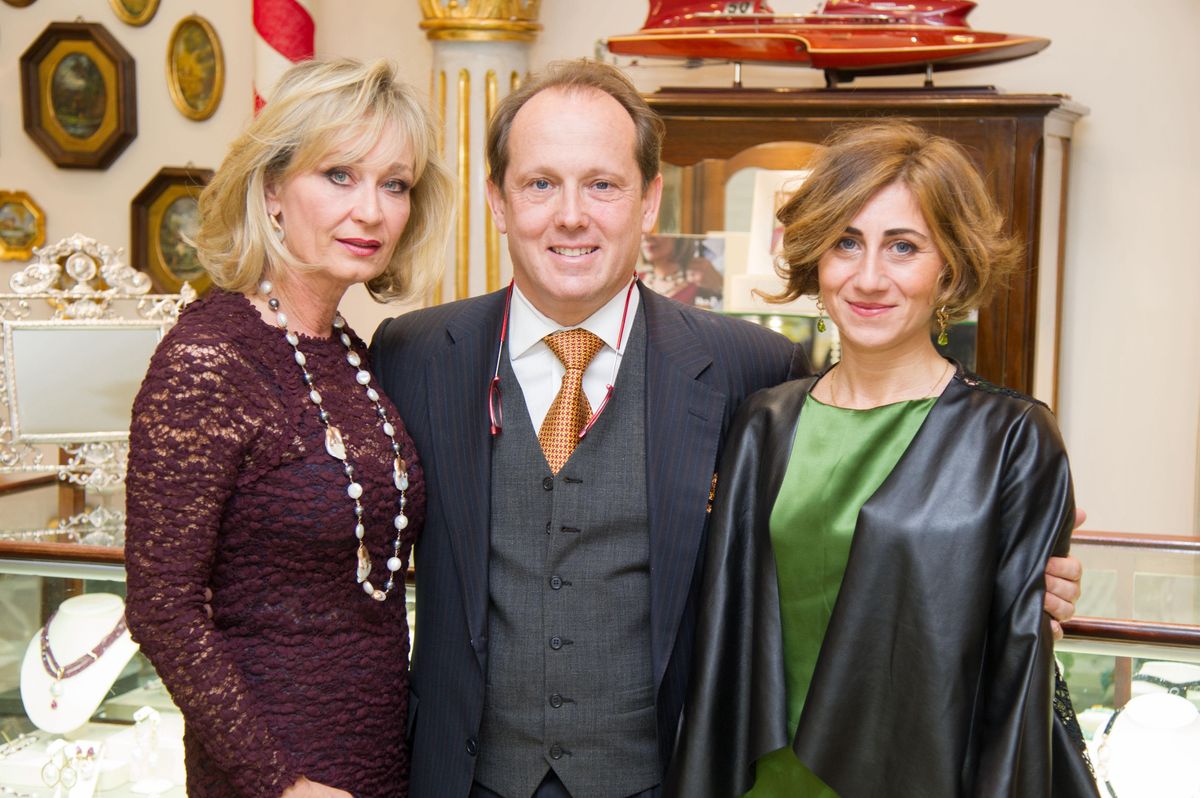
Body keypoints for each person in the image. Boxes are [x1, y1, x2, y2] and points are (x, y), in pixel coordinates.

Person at [370, 61, 1083, 798]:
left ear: (649, 201)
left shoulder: (754, 369)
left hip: (674, 775)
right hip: (460, 779)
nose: (571, 214)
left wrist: (1016, 575)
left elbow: (834, 543)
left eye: (604, 184)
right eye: (540, 183)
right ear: (498, 199)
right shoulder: (412, 356)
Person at [666, 122, 1098, 797]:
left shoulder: (1012, 438)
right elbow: (722, 645)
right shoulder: (765, 423)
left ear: (948, 266)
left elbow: (1018, 678)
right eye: (846, 243)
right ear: (816, 257)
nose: (869, 277)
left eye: (903, 247)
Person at [124, 58, 452, 798]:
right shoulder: (208, 357)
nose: (371, 210)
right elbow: (161, 606)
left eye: (394, 184)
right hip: (271, 767)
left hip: (377, 750)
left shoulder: (350, 352)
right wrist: (278, 782)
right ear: (271, 189)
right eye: (339, 174)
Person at [638, 234, 723, 307]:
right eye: (643, 228)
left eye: (656, 230)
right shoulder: (634, 281)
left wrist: (719, 286)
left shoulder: (703, 281)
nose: (646, 237)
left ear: (677, 235)